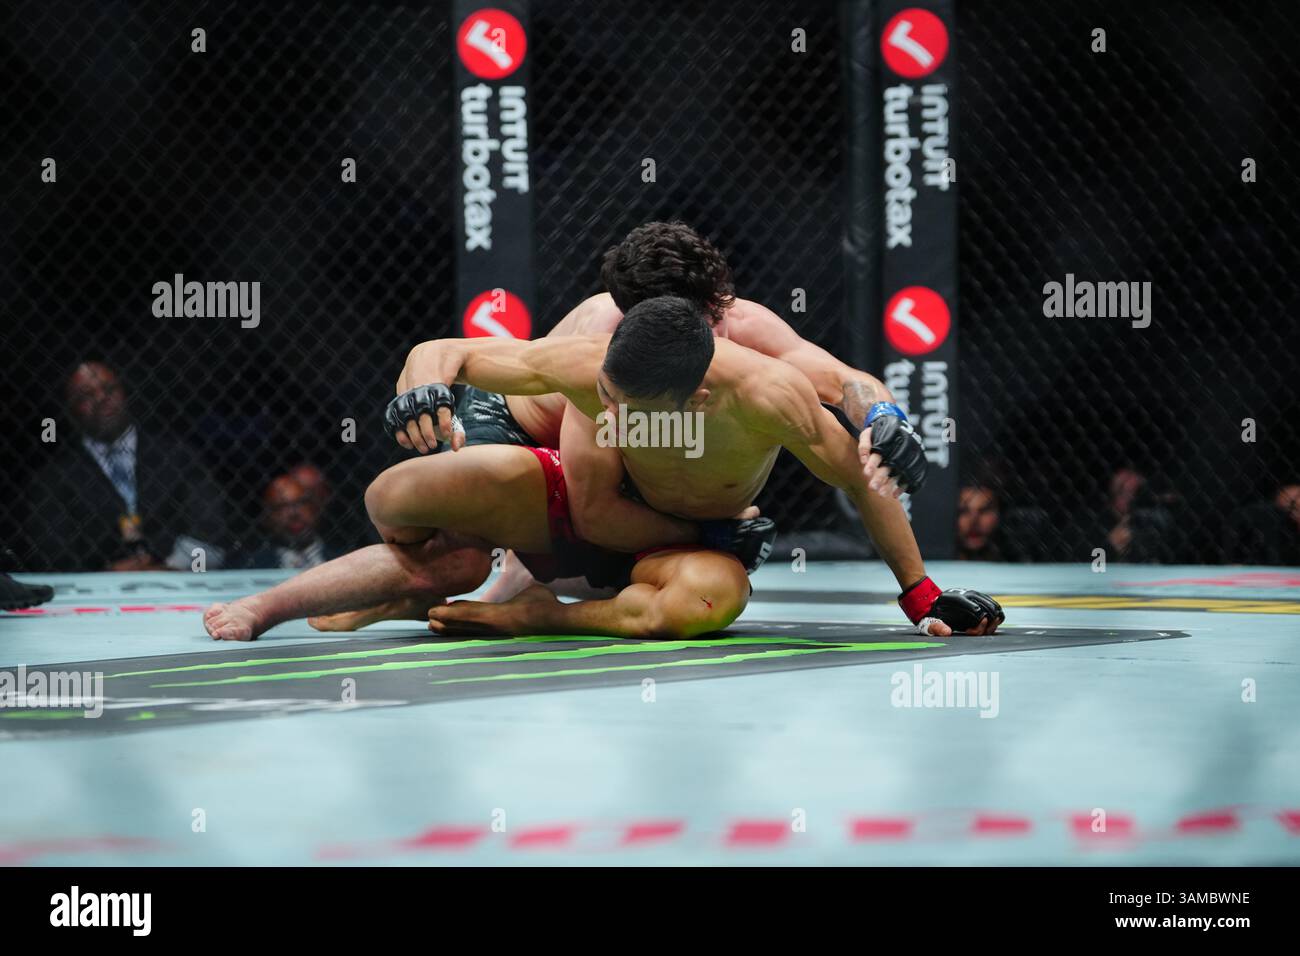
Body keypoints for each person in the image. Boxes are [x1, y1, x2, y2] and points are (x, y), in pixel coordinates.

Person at [204, 296, 1002, 641]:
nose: (608, 407)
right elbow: (455, 351)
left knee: (708, 600)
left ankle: (527, 614)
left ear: (694, 389)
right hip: (589, 513)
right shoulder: (597, 357)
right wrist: (420, 391)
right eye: (607, 390)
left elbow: (861, 463)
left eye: (631, 403)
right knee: (425, 523)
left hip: (655, 542)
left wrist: (920, 592)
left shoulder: (766, 388)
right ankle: (277, 604)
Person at [24, 361, 230, 572]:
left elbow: (211, 528)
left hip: (179, 577)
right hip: (97, 589)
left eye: (109, 389)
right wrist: (108, 573)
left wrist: (167, 567)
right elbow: (53, 555)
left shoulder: (177, 454)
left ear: (124, 393)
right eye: (86, 395)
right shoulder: (55, 476)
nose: (101, 399)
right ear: (71, 409)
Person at [239, 474, 343, 569]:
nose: (293, 513)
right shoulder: (251, 565)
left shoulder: (344, 559)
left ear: (315, 507)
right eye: (281, 507)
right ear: (266, 518)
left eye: (301, 503)